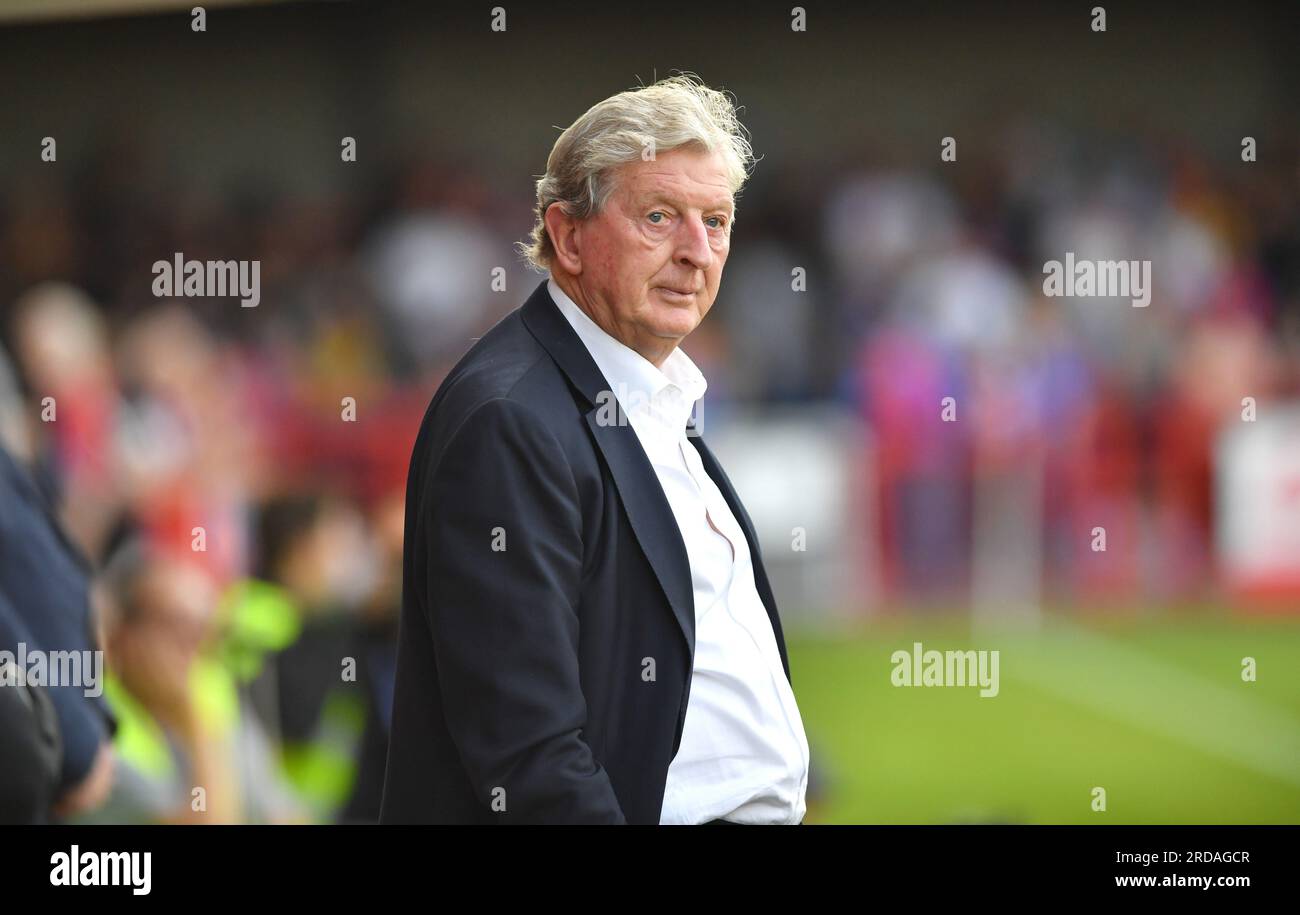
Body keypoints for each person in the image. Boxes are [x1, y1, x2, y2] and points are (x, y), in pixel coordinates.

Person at [380, 74, 809, 824]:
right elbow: (529, 752)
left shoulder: (653, 394)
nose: (696, 251)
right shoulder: (510, 421)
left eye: (716, 220)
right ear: (569, 237)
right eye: (658, 216)